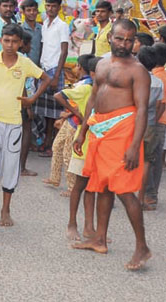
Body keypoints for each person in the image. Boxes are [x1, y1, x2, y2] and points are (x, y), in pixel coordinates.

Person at [72, 19, 151, 271]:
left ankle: (142, 247)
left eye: (129, 40)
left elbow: (142, 111)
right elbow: (93, 98)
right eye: (119, 38)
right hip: (99, 131)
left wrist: (134, 145)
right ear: (110, 38)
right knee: (102, 185)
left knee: (125, 191)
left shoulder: (138, 70)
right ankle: (99, 239)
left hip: (124, 134)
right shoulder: (103, 64)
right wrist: (83, 131)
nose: (124, 44)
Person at [0, 23, 49, 227]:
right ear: (0, 41)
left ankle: (6, 209)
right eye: (6, 40)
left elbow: (46, 79)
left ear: (21, 43)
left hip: (14, 123)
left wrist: (32, 99)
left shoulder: (25, 63)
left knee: (10, 168)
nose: (10, 45)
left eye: (14, 41)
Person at [63, 56, 100, 241]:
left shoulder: (104, 90)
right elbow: (61, 95)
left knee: (92, 188)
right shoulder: (87, 88)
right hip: (84, 143)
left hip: (98, 144)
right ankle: (72, 224)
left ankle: (89, 227)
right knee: (79, 185)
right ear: (93, 73)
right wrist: (74, 112)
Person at [46, 54, 94, 194]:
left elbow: (82, 106)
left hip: (75, 121)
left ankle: (72, 187)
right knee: (57, 146)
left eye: (76, 65)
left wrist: (70, 113)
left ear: (80, 67)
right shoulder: (83, 83)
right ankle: (54, 177)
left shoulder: (86, 85)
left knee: (68, 154)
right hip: (70, 120)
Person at [35, 0, 69, 155]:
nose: (50, 9)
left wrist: (56, 75)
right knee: (44, 110)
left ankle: (53, 145)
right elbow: (43, 47)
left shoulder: (62, 26)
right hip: (44, 68)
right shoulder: (44, 25)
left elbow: (64, 51)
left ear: (59, 7)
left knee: (55, 110)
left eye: (53, 6)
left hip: (55, 69)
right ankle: (46, 142)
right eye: (48, 6)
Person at [136, 46, 164, 208]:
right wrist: (154, 118)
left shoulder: (136, 79)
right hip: (150, 124)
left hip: (133, 122)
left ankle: (114, 192)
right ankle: (140, 198)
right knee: (146, 161)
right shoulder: (158, 82)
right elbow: (160, 105)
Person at [19, 0, 42, 175]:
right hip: (24, 97)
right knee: (25, 129)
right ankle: (22, 166)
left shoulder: (41, 28)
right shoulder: (23, 61)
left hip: (26, 89)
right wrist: (29, 103)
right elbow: (25, 83)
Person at [145, 42, 166, 209]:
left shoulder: (159, 78)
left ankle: (150, 195)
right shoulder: (158, 77)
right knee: (153, 158)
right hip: (156, 121)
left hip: (156, 122)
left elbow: (161, 104)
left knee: (152, 159)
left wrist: (153, 120)